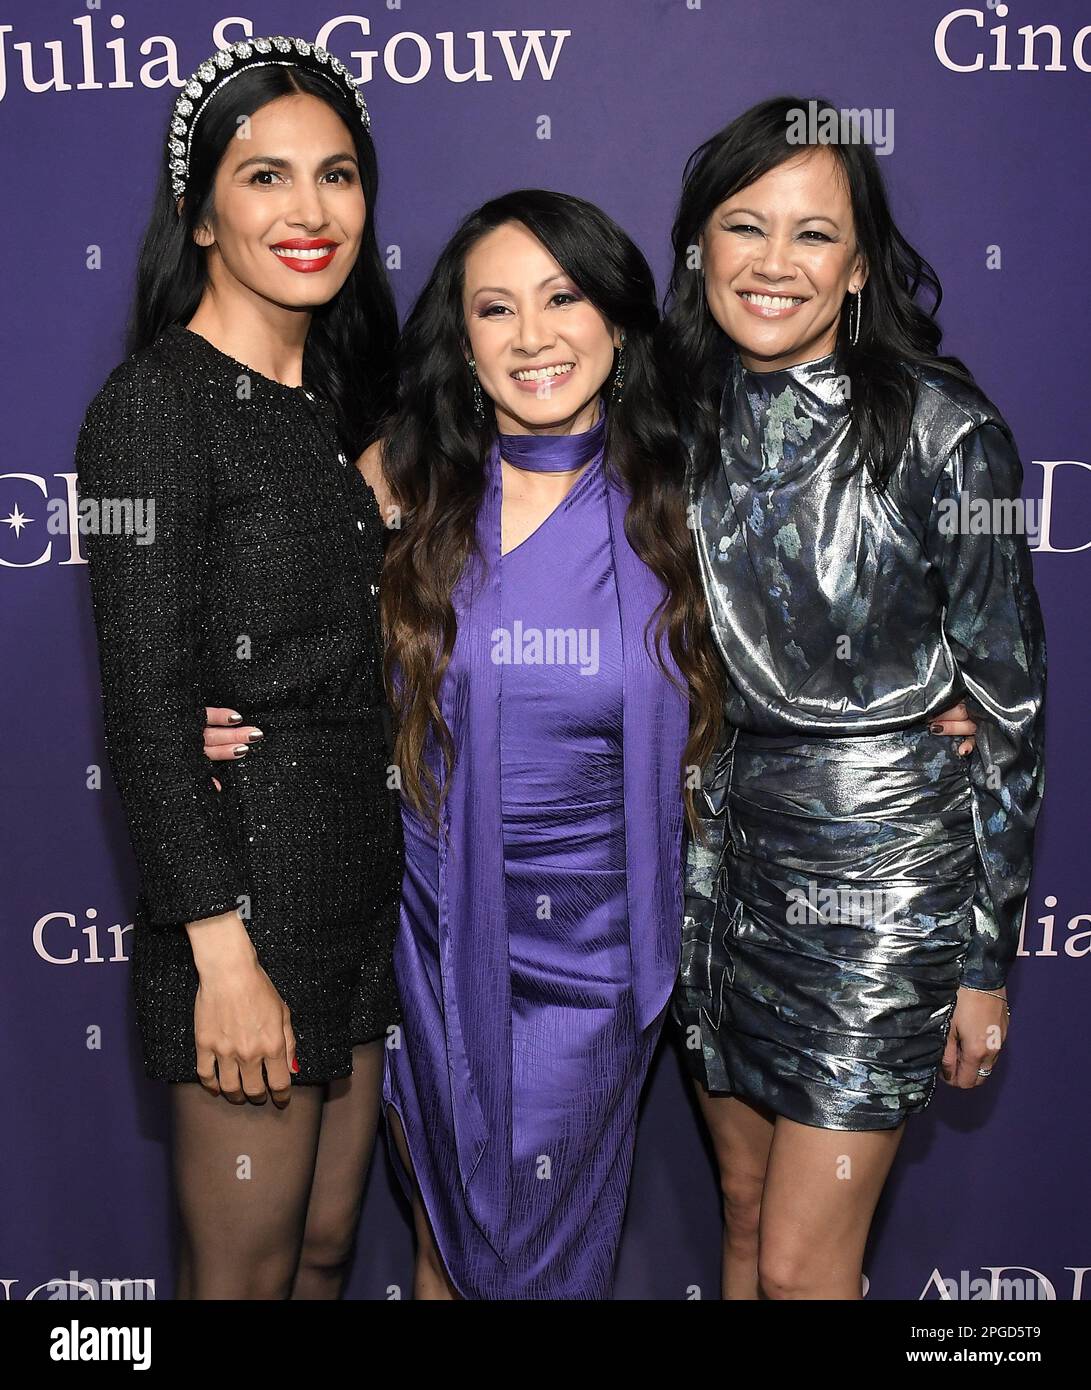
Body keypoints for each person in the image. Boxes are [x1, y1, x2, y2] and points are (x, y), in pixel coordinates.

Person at [661, 95, 1045, 1300]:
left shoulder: (944, 432)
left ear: (859, 264)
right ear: (699, 249)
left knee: (798, 1267)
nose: (774, 263)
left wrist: (982, 960)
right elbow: (452, 477)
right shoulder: (664, 421)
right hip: (719, 863)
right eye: (743, 225)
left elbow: (1008, 706)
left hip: (881, 879)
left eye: (812, 234)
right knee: (739, 1212)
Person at [75, 36, 402, 1300]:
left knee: (322, 1250)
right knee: (244, 1278)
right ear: (201, 210)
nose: (308, 211)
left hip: (355, 893)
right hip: (243, 903)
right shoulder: (153, 408)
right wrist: (219, 951)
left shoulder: (335, 409)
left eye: (336, 175)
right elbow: (147, 704)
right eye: (264, 178)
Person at [371, 189, 722, 1299]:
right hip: (431, 929)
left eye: (561, 297)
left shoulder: (687, 499)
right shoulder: (401, 489)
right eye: (494, 308)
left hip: (594, 952)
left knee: (531, 1260)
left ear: (616, 324)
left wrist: (926, 710)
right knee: (442, 1231)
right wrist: (226, 719)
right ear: (462, 344)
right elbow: (286, 668)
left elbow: (811, 660)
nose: (531, 336)